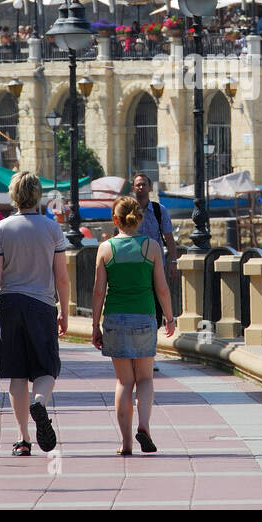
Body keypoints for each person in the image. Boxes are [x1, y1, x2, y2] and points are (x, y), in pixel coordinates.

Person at [0, 171, 69, 456]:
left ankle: (22, 439)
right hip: (41, 305)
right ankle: (40, 402)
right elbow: (62, 277)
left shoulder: (1, 228)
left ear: (13, 195)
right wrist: (64, 311)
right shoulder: (52, 229)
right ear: (37, 194)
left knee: (16, 375)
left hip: (9, 305)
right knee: (46, 368)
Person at [91, 197, 176, 455]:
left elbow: (98, 291)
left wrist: (95, 325)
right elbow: (161, 287)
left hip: (115, 319)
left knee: (124, 382)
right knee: (146, 378)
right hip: (144, 317)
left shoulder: (105, 249)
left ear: (115, 220)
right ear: (140, 219)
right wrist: (170, 318)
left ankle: (126, 442)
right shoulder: (151, 247)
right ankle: (144, 426)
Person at [130, 172, 177, 371]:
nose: (140, 188)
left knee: (154, 312)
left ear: (150, 188)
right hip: (131, 269)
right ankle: (136, 352)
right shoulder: (127, 209)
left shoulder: (159, 210)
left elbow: (169, 237)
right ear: (133, 188)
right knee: (135, 311)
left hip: (154, 269)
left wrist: (173, 261)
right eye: (137, 185)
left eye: (144, 185)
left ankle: (149, 352)